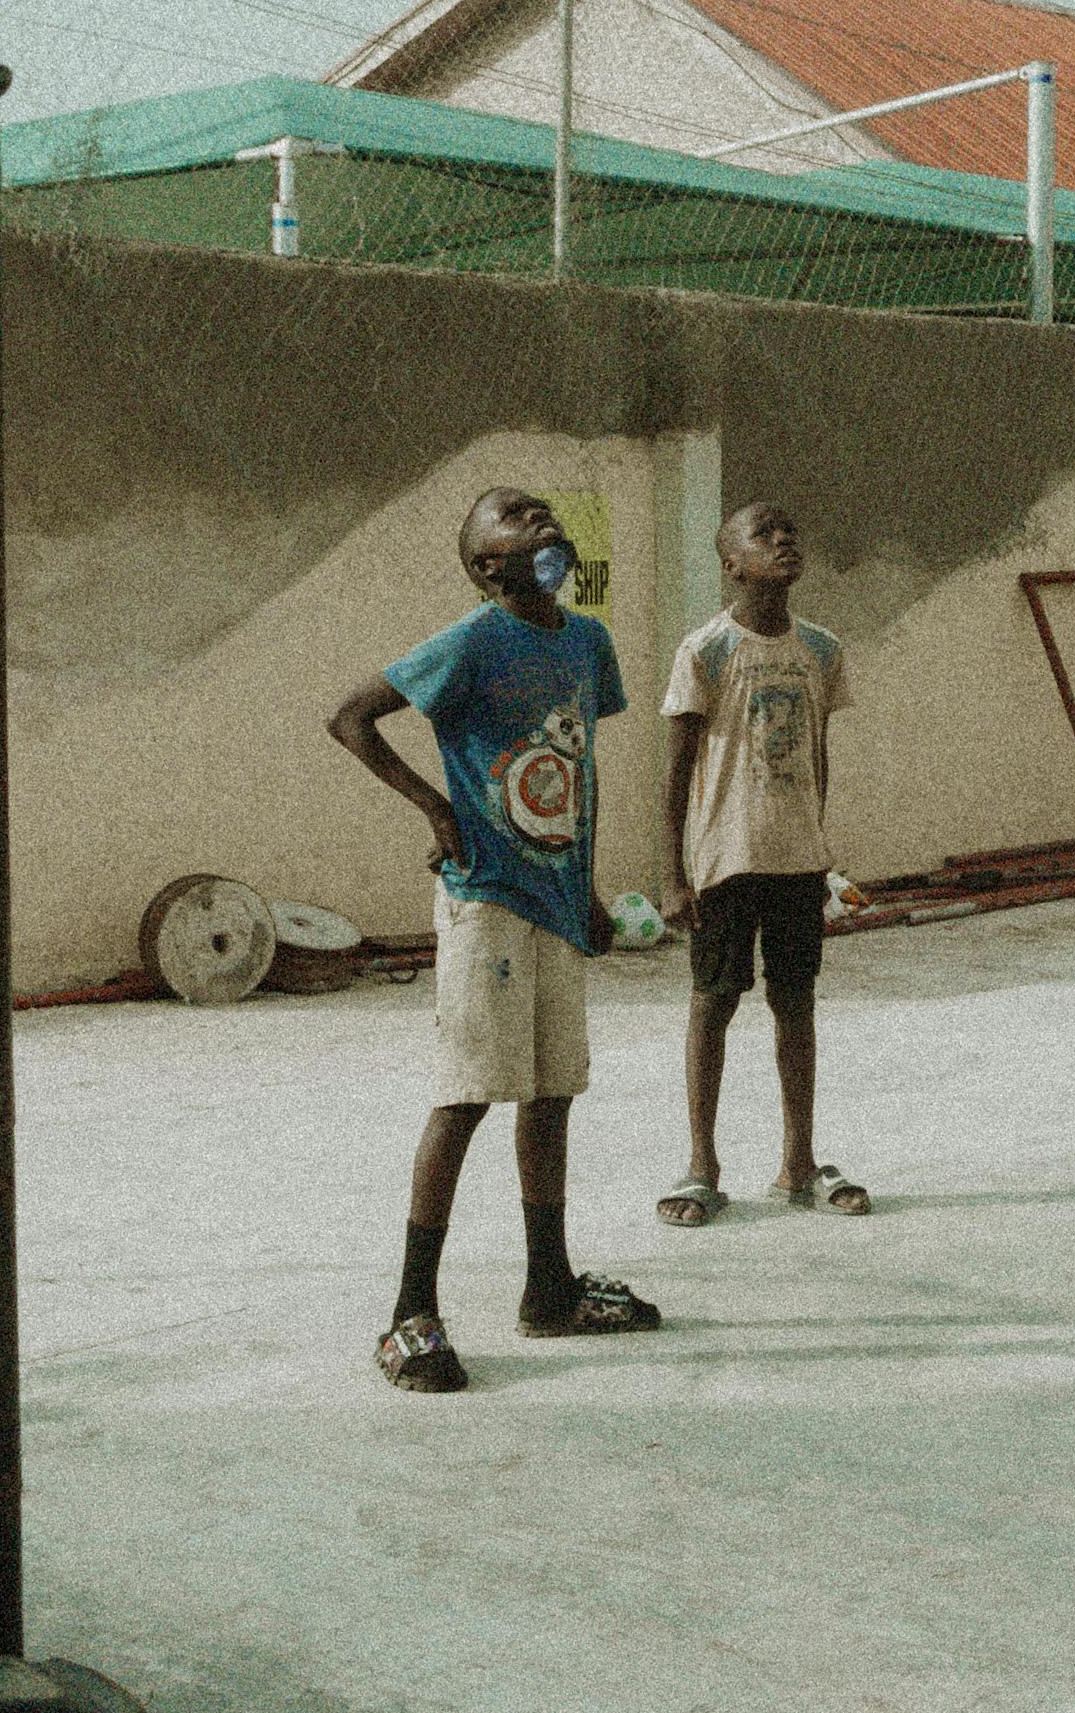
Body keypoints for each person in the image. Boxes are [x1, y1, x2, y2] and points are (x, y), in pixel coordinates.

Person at [328, 484, 660, 1391]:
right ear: (485, 565)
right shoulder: (472, 639)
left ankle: (547, 1288)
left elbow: (563, 769)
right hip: (487, 900)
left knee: (550, 1092)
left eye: (544, 511)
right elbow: (351, 716)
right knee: (469, 1091)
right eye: (515, 517)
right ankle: (408, 1311)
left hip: (555, 901)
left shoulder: (587, 642)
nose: (542, 521)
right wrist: (436, 808)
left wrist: (585, 886)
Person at [654, 501, 868, 1227]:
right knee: (712, 1004)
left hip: (796, 861)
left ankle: (798, 1163)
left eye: (791, 531)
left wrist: (821, 852)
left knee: (795, 1003)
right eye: (763, 534)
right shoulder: (706, 649)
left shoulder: (822, 648)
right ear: (730, 562)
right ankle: (700, 1164)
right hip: (724, 860)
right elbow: (677, 768)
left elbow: (818, 754)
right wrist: (672, 874)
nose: (783, 540)